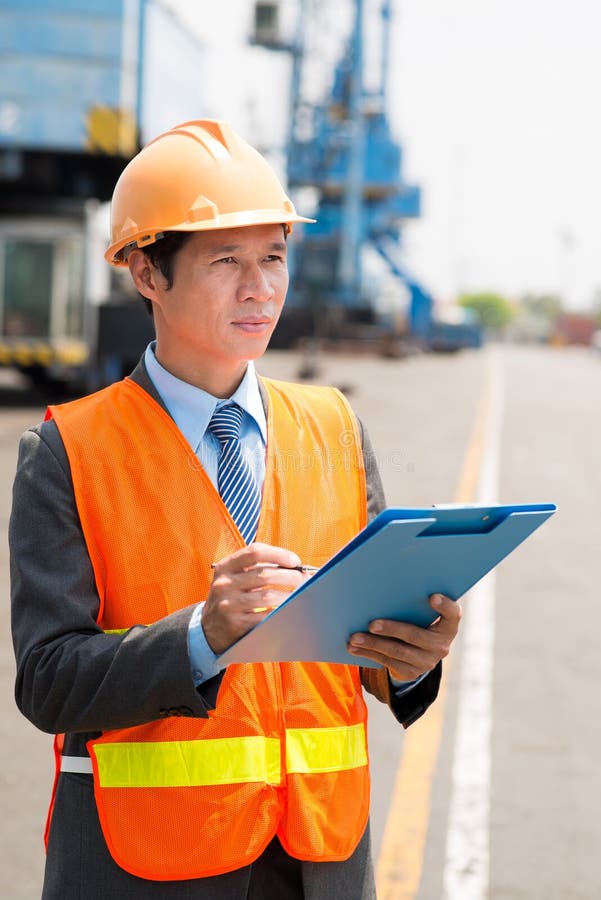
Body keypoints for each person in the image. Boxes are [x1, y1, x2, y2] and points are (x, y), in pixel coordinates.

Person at [10, 120, 461, 900]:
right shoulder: (68, 450)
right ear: (147, 272)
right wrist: (198, 637)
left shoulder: (334, 428)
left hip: (320, 859)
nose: (260, 289)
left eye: (274, 258)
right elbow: (49, 683)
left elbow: (362, 655)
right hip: (146, 865)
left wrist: (413, 662)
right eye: (226, 261)